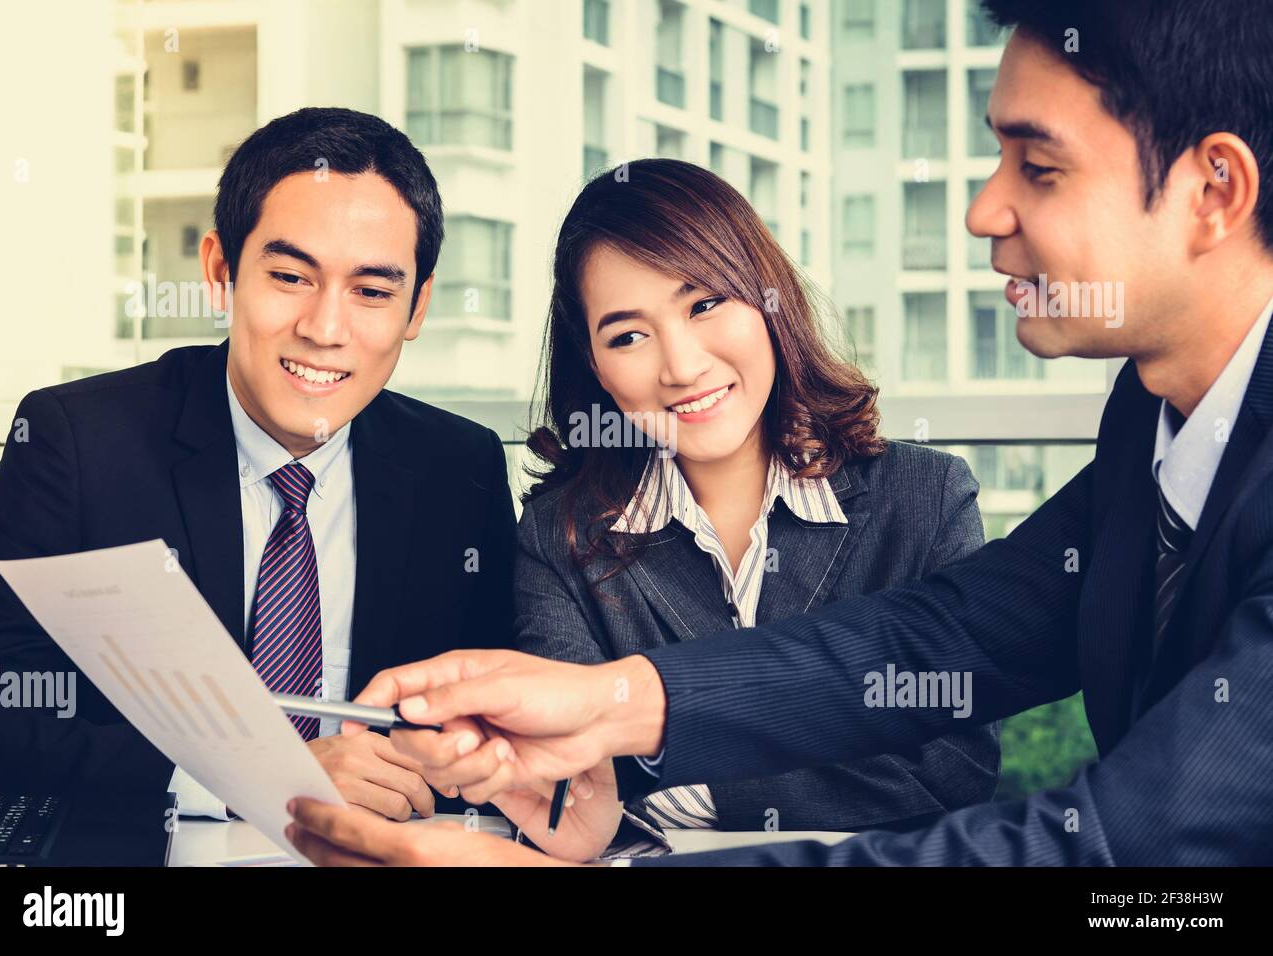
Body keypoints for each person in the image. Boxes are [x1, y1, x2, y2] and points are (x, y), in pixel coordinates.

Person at [287, 0, 1273, 866]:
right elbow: (944, 636)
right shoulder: (1149, 420)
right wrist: (610, 702)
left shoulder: (931, 487)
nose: (982, 208)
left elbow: (1117, 847)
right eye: (627, 333)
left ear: (1214, 192)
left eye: (1039, 166)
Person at [0, 107, 517, 823]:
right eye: (290, 276)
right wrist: (249, 781)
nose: (325, 330)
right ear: (221, 272)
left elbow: (498, 713)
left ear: (417, 306)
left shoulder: (461, 469)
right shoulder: (75, 442)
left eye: (374, 292)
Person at [504, 158, 996, 860]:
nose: (681, 365)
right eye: (627, 335)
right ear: (594, 367)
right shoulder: (562, 536)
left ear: (769, 300)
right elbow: (570, 786)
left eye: (704, 304)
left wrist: (668, 765)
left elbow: (950, 774)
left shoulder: (924, 499)